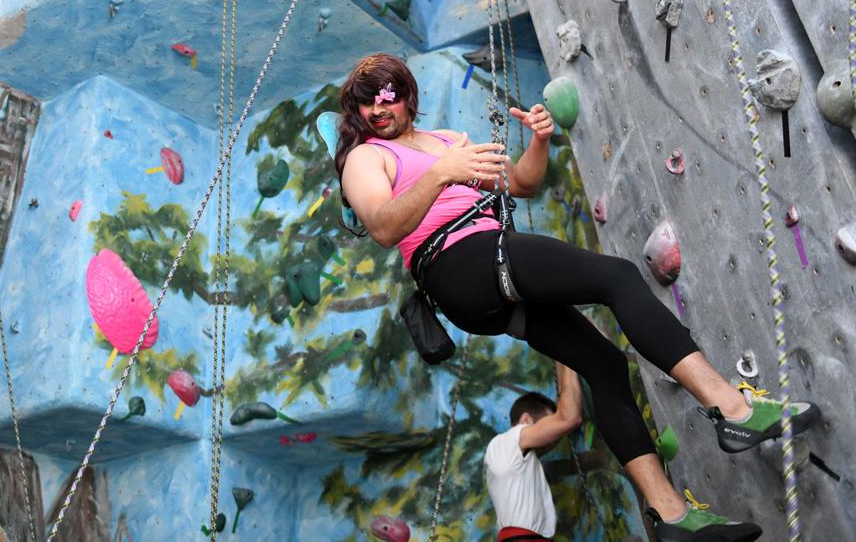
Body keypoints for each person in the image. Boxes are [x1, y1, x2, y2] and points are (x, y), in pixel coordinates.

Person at [336, 54, 819, 542]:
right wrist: (441, 173)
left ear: (407, 97)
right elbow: (382, 225)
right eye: (366, 106)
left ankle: (670, 516)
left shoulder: (443, 143)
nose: (378, 112)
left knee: (606, 365)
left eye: (387, 99)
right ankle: (733, 410)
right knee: (618, 278)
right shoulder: (367, 157)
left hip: (484, 278)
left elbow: (522, 183)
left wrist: (540, 140)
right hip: (459, 261)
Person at [484, 365, 582, 542]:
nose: (552, 440)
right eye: (547, 425)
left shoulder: (516, 458)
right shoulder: (511, 439)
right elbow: (569, 418)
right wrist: (569, 355)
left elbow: (563, 417)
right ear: (525, 420)